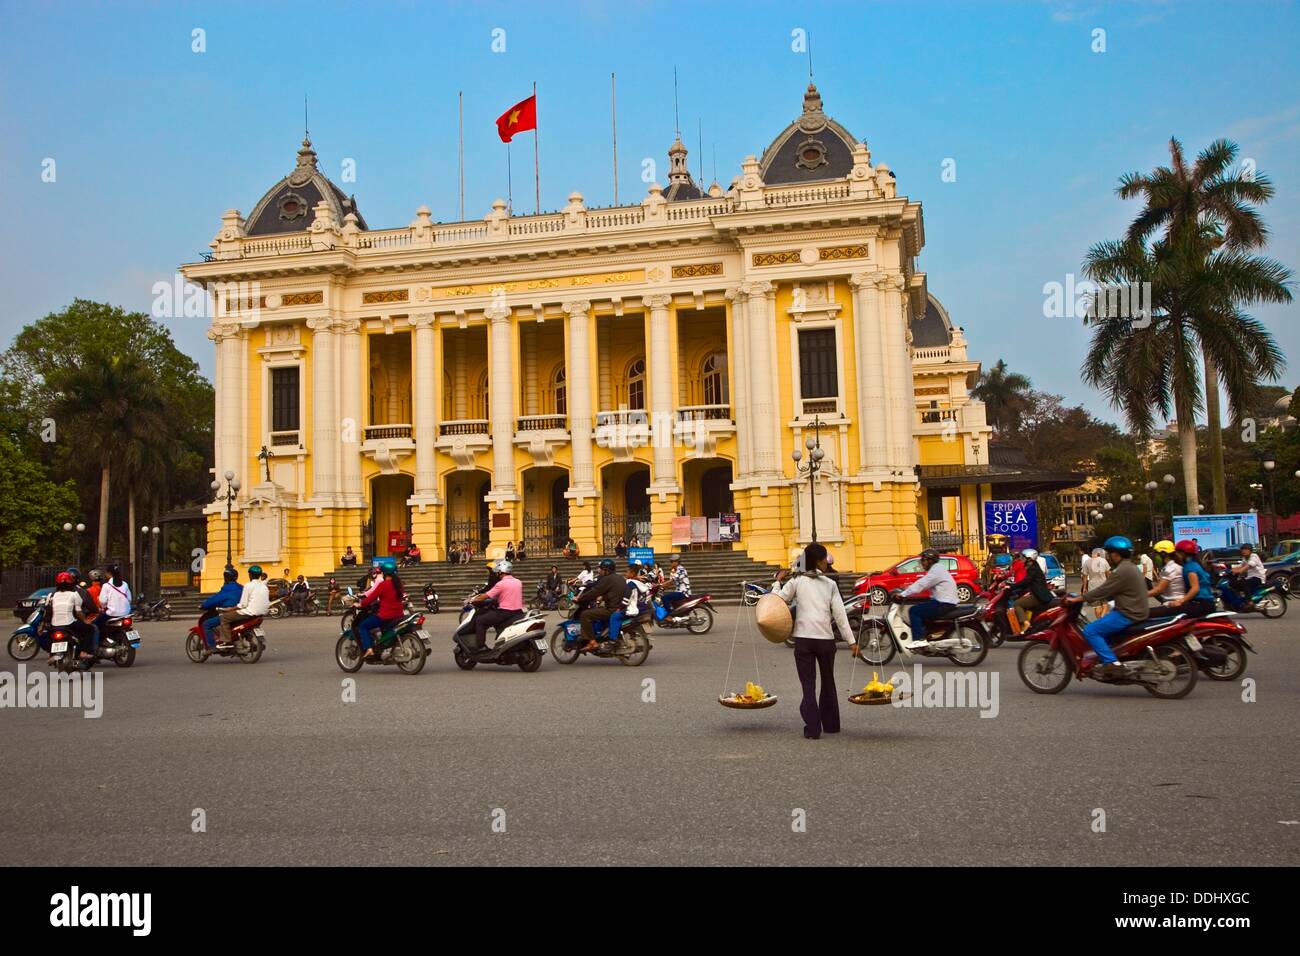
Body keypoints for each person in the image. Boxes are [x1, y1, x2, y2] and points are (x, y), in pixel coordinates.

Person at [775, 543, 860, 740]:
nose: (826, 563)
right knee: (828, 682)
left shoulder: (797, 582)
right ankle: (831, 725)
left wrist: (778, 582)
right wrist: (851, 641)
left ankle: (813, 729)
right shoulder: (829, 585)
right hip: (825, 642)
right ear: (817, 561)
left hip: (804, 640)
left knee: (808, 685)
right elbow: (840, 616)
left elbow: (778, 600)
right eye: (823, 560)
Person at [1063, 536, 1148, 677]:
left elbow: (1103, 590)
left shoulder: (1122, 571)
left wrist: (1080, 598)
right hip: (1134, 610)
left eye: (1110, 553)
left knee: (1090, 630)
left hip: (1128, 614)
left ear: (1116, 553)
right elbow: (1112, 591)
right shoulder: (1130, 567)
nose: (1109, 557)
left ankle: (1111, 663)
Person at [896, 549, 958, 649]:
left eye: (923, 560)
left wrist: (903, 594)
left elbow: (922, 584)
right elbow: (923, 584)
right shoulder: (937, 569)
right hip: (943, 601)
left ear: (930, 561)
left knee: (914, 611)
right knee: (923, 608)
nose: (922, 563)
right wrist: (908, 588)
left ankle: (919, 640)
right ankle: (929, 635)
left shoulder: (936, 571)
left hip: (943, 603)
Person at [464, 559, 525, 654]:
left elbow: (486, 596)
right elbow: (506, 595)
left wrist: (472, 600)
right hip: (518, 612)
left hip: (505, 613)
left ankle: (480, 647)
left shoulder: (501, 584)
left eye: (498, 572)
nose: (496, 574)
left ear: (501, 572)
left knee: (480, 620)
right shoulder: (518, 582)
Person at [354, 566, 407, 660]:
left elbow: (371, 598)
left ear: (385, 573)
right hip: (399, 615)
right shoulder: (399, 584)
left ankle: (369, 649)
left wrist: (360, 604)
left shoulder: (383, 585)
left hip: (386, 616)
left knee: (363, 626)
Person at [575, 558, 626, 651]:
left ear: (606, 570)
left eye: (601, 569)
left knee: (585, 615)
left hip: (612, 609)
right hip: (621, 608)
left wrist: (579, 598)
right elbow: (612, 592)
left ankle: (592, 642)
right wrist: (602, 597)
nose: (600, 571)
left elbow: (595, 591)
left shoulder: (607, 579)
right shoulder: (621, 578)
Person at [46, 571, 97, 662]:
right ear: (71, 583)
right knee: (90, 629)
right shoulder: (74, 594)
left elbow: (48, 611)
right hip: (69, 623)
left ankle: (51, 654)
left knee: (47, 635)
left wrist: (43, 625)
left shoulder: (52, 595)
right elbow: (78, 612)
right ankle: (83, 652)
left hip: (54, 625)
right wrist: (85, 620)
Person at [217, 564, 270, 645]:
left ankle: (226, 640)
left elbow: (242, 605)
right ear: (260, 575)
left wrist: (229, 609)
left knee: (224, 618)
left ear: (250, 575)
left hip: (249, 612)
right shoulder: (264, 586)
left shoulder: (248, 585)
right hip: (262, 612)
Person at [1165, 539, 1216, 617]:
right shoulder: (1194, 564)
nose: (1176, 555)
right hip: (1205, 603)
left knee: (1166, 612)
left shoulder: (1190, 567)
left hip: (1201, 604)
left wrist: (1180, 601)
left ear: (1184, 554)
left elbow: (1195, 588)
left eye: (1178, 553)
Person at [1007, 548, 1053, 634]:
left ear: (1029, 559)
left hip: (1039, 596)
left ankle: (1025, 622)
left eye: (1024, 558)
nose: (1022, 559)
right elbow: (1028, 582)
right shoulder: (1034, 566)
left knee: (1017, 603)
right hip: (1037, 593)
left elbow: (1026, 581)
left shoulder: (1032, 569)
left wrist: (1012, 587)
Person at [200, 568, 244, 649]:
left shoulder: (226, 590)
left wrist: (203, 605)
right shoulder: (241, 587)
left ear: (226, 578)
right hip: (242, 613)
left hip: (229, 614)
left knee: (206, 624)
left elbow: (213, 600)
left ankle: (212, 648)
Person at [609, 564, 651, 641]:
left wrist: (620, 608)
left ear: (632, 573)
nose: (625, 573)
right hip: (643, 608)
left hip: (634, 609)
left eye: (627, 572)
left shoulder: (630, 584)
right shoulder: (638, 583)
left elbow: (626, 599)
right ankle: (631, 634)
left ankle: (613, 639)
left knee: (614, 617)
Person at [1223, 543, 1267, 611]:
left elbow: (1249, 565)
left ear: (1250, 551)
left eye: (1246, 549)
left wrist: (1241, 570)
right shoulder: (1245, 558)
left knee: (1244, 583)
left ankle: (1250, 602)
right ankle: (1240, 601)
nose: (1244, 551)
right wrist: (1228, 570)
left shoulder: (1254, 556)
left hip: (1258, 577)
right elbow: (1240, 566)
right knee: (1233, 584)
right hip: (1250, 577)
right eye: (1243, 549)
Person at [1081, 547, 1110, 620]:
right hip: (1103, 586)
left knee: (1097, 606)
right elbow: (1108, 574)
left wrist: (1084, 587)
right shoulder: (1104, 561)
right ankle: (1102, 620)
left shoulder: (1087, 562)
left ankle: (1099, 621)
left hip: (1092, 587)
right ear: (1098, 553)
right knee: (1105, 604)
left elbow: (1085, 576)